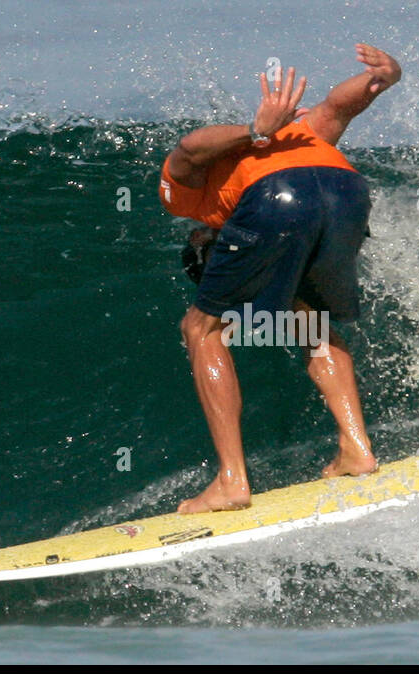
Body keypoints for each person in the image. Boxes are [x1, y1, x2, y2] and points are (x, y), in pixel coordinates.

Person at [159, 43, 402, 514]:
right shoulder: (300, 134)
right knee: (308, 320)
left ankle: (231, 481)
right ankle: (357, 449)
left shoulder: (184, 197)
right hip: (346, 192)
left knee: (200, 328)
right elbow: (341, 103)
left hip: (277, 199)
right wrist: (385, 77)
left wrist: (253, 129)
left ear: (206, 244)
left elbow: (188, 147)